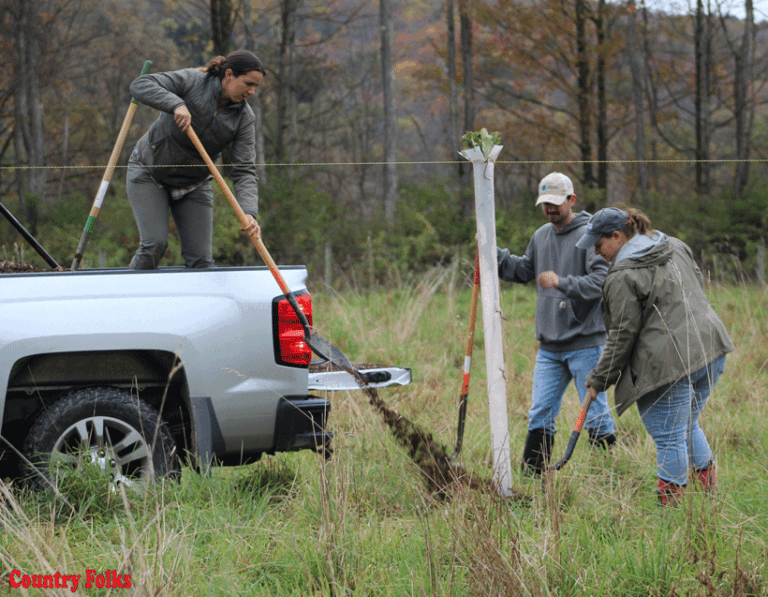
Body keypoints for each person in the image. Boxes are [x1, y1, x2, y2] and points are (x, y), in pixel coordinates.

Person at [577, 207, 735, 505]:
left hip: (668, 364)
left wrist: (600, 379)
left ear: (617, 236)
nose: (597, 253)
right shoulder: (674, 245)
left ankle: (671, 509)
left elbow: (622, 334)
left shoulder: (622, 275)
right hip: (710, 348)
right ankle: (709, 497)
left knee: (669, 437)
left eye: (599, 245)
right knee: (687, 425)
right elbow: (697, 282)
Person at [497, 172, 617, 476]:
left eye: (556, 203)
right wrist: (493, 256)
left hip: (584, 344)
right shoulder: (541, 236)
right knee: (540, 411)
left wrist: (562, 282)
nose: (550, 209)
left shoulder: (590, 238)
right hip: (549, 347)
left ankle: (608, 473)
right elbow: (524, 270)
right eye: (545, 204)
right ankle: (533, 474)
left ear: (571, 200)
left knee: (595, 413)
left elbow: (599, 282)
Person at [126, 50, 264, 269]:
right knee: (154, 245)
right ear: (229, 74)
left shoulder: (244, 118)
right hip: (149, 172)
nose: (252, 92)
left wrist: (249, 211)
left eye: (256, 86)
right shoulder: (194, 80)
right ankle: (132, 299)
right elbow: (141, 85)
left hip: (194, 184)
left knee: (201, 261)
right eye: (248, 84)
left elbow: (244, 170)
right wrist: (175, 103)